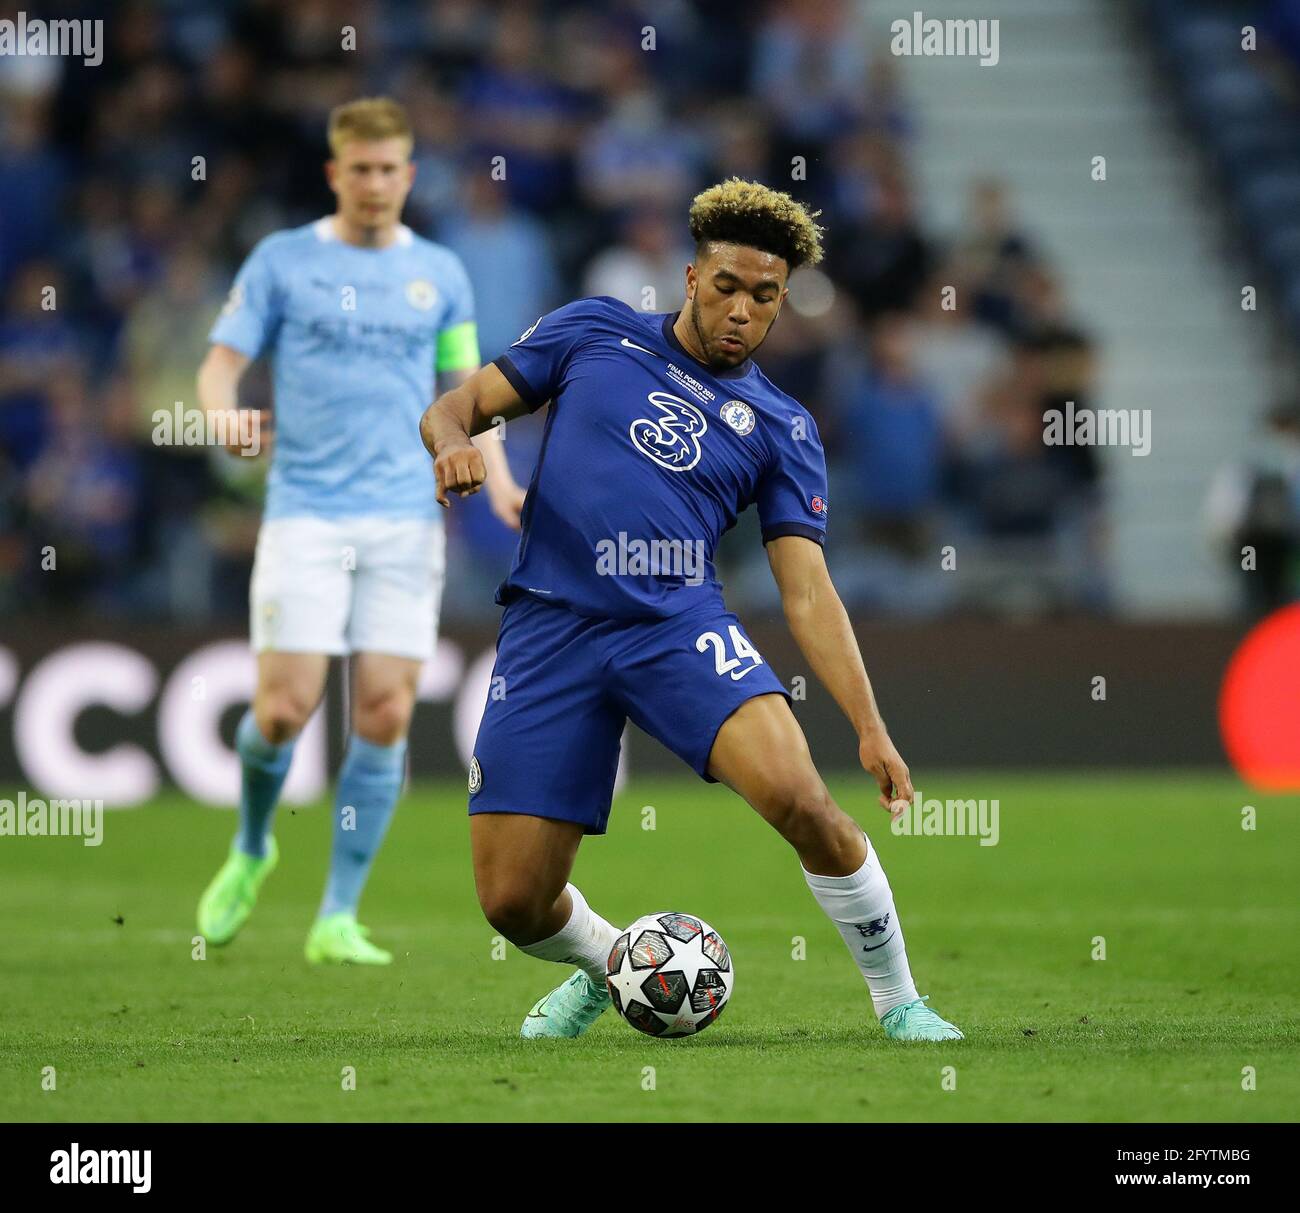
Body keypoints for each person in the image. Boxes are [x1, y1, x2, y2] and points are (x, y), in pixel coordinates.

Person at [421, 178, 961, 1041]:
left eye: (765, 296)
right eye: (727, 288)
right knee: (513, 901)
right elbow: (459, 406)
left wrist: (869, 723)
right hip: (549, 630)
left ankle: (899, 1000)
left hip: (677, 628)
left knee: (805, 803)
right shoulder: (593, 330)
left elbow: (807, 588)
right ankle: (610, 963)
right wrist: (452, 444)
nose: (743, 310)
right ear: (690, 278)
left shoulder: (781, 427)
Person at [195, 97, 525, 964]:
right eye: (361, 169)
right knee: (283, 709)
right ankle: (254, 843)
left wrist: (503, 486)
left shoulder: (442, 274)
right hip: (304, 511)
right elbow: (220, 362)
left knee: (382, 712)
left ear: (409, 176)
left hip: (405, 519)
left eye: (391, 170)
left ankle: (338, 914)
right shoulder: (283, 261)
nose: (376, 184)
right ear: (336, 173)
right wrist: (221, 415)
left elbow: (470, 395)